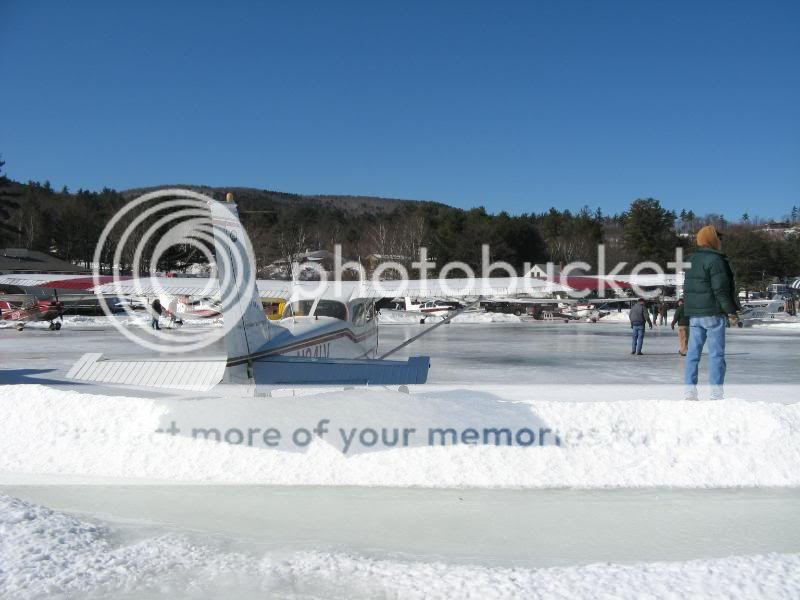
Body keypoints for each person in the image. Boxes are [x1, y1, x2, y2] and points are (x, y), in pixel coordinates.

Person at [683, 225, 740, 400]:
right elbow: (720, 290)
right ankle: (716, 394)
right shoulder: (715, 260)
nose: (721, 242)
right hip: (713, 313)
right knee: (716, 355)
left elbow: (689, 288)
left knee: (692, 354)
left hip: (695, 315)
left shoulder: (692, 260)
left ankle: (689, 392)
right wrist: (731, 311)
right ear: (712, 240)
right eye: (719, 238)